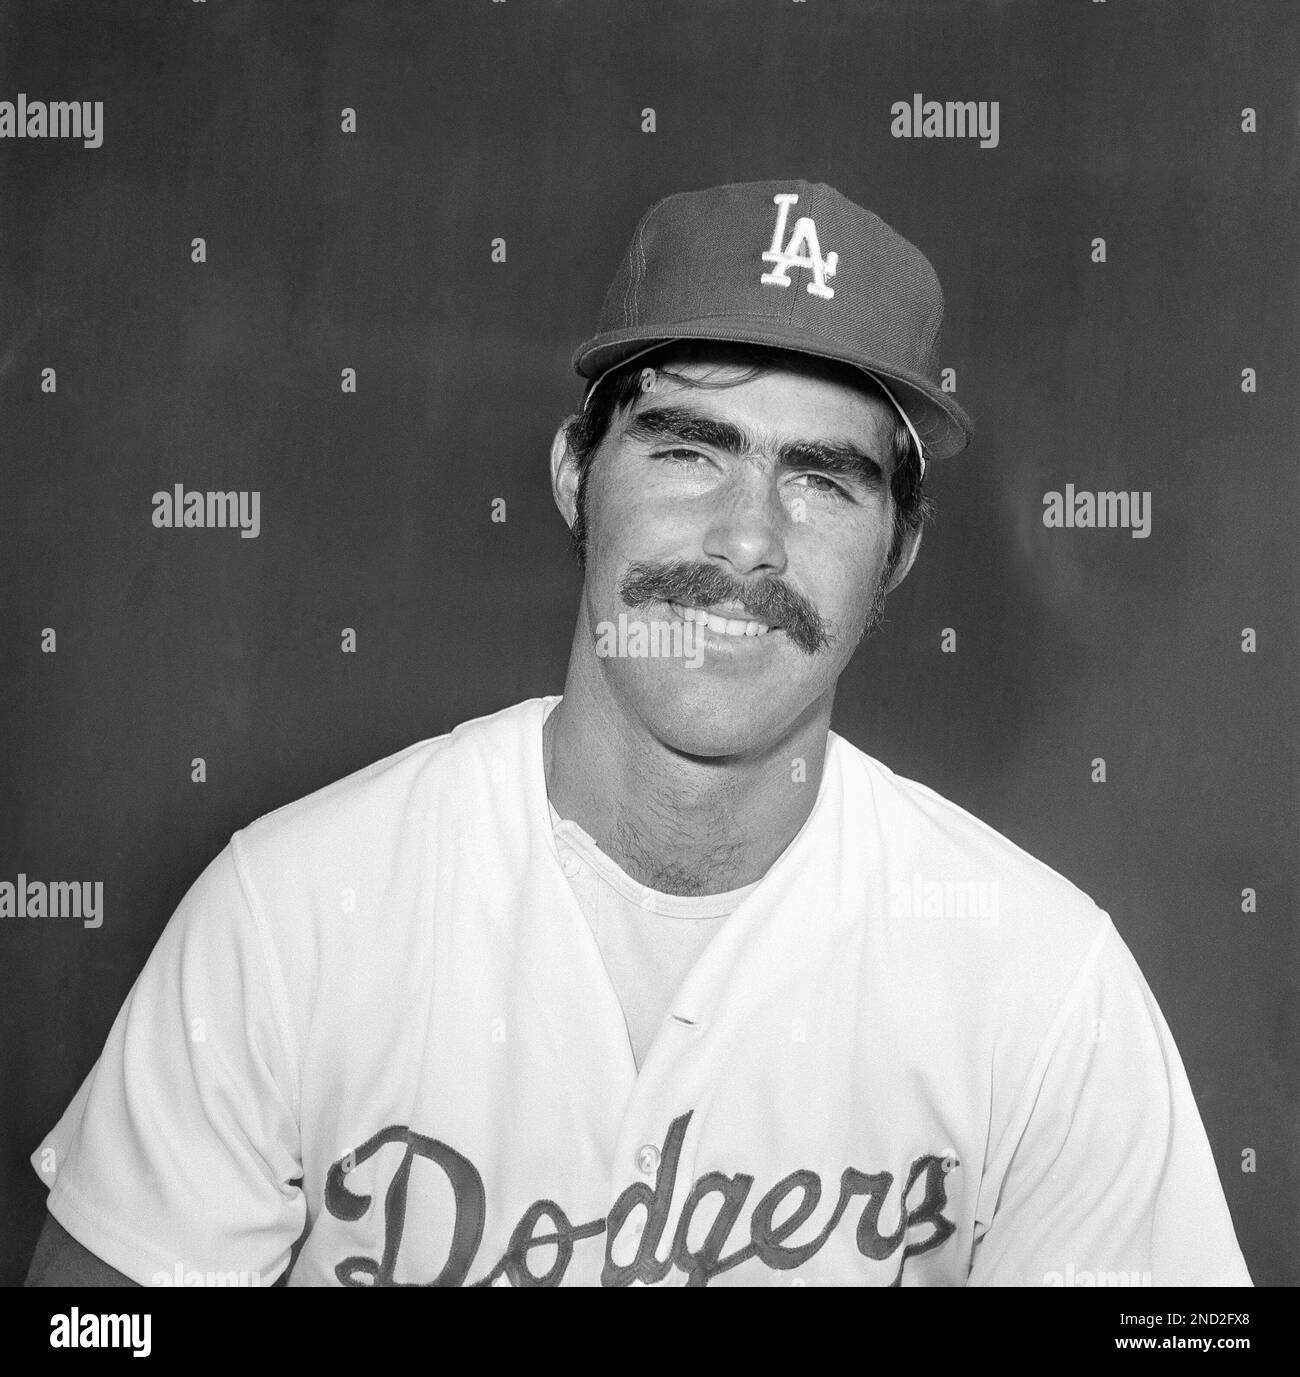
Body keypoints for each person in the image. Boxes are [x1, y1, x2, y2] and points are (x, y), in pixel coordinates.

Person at [27, 180, 1250, 1287]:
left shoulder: (1042, 983)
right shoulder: (290, 911)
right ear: (575, 473)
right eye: (686, 451)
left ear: (901, 549)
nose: (744, 541)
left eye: (822, 479)